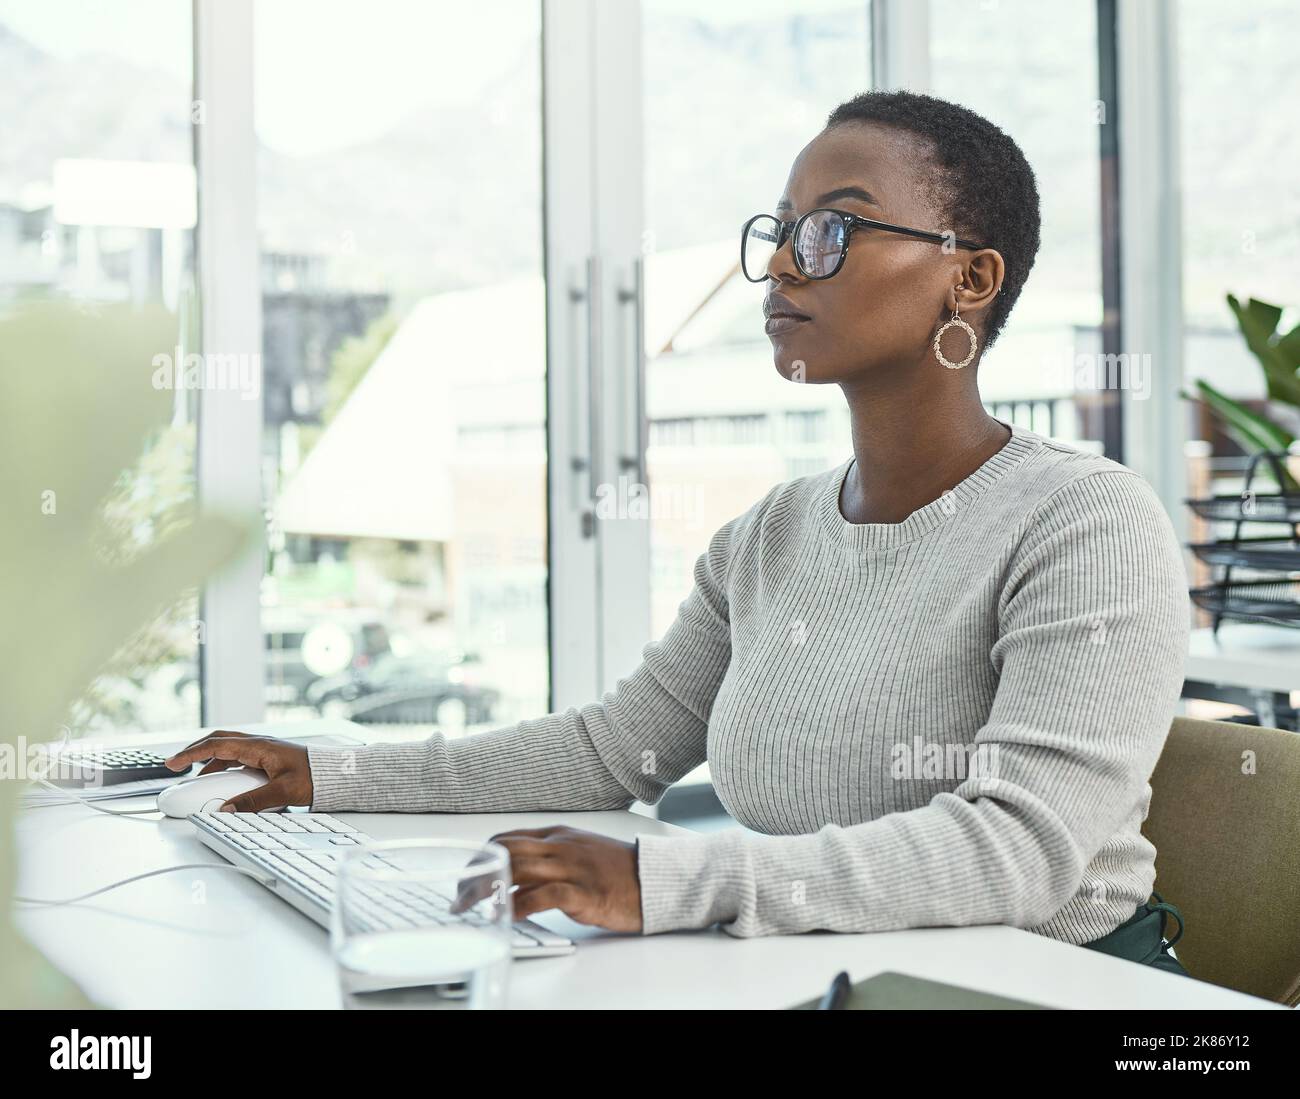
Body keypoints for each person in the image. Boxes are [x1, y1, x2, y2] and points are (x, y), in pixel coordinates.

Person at [167, 90, 1192, 970]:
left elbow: (1013, 853)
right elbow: (615, 751)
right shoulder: (770, 534)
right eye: (781, 229)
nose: (784, 265)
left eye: (833, 229)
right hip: (834, 965)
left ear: (969, 278)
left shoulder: (1084, 524)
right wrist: (331, 771)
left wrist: (665, 878)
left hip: (1052, 986)